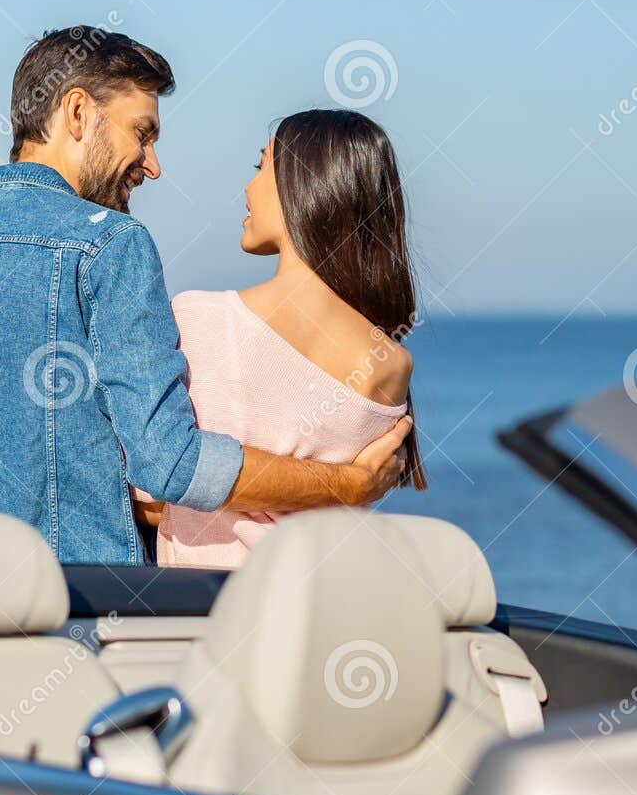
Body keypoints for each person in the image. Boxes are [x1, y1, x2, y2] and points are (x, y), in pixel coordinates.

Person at [0, 27, 409, 564]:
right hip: (80, 608)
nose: (153, 164)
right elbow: (169, 463)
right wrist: (348, 484)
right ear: (77, 114)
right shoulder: (109, 245)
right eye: (142, 133)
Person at [140, 109, 425, 566]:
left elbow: (151, 494)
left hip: (203, 616)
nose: (248, 187)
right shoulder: (392, 365)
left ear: (304, 182)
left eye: (261, 166)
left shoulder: (197, 319)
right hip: (321, 611)